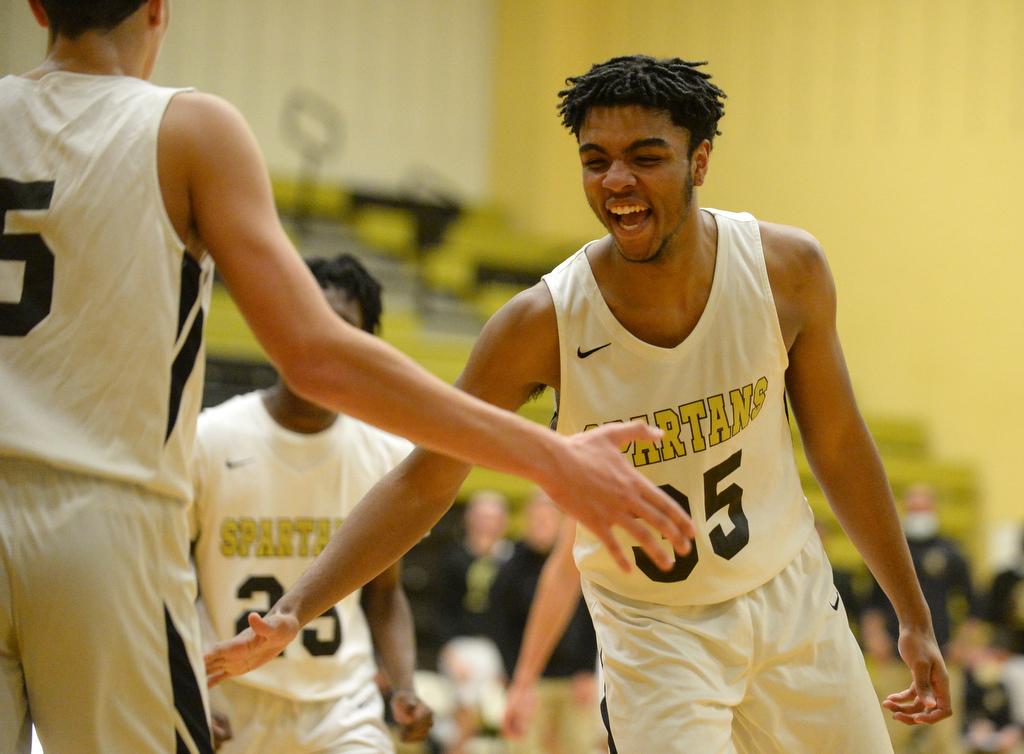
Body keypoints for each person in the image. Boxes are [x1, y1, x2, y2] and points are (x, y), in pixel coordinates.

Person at [204, 54, 950, 753]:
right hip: (657, 632)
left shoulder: (787, 269)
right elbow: (426, 478)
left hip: (792, 595)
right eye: (596, 162)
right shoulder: (541, 323)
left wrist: (913, 618)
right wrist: (297, 609)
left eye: (645, 158)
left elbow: (841, 444)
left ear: (700, 160)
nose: (616, 181)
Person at [0, 5, 692, 753]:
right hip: (101, 518)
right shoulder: (187, 127)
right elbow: (317, 354)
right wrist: (549, 454)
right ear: (160, 7)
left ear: (36, 6)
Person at [190, 254, 433, 752]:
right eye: (308, 320)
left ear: (364, 348)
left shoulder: (385, 454)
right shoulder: (208, 439)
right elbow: (165, 581)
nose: (320, 341)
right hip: (227, 696)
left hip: (343, 705)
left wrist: (405, 685)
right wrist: (180, 685)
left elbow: (384, 595)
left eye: (339, 328)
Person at [861, 483, 983, 753]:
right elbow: (871, 604)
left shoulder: (952, 552)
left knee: (945, 737)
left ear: (934, 509)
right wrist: (875, 639)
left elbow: (973, 606)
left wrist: (962, 644)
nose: (919, 514)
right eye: (913, 508)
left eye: (923, 508)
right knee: (892, 733)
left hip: (942, 657)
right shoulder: (887, 548)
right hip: (895, 657)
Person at [489, 491, 601, 754]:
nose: (541, 525)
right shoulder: (509, 571)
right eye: (536, 520)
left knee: (578, 746)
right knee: (524, 746)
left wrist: (587, 670)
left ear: (562, 523)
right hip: (532, 680)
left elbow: (592, 622)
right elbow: (500, 628)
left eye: (547, 519)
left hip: (573, 678)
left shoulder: (579, 564)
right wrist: (517, 677)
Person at [432, 492, 512, 753]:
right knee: (464, 707)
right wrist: (448, 651)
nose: (486, 524)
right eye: (480, 517)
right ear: (469, 520)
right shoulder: (452, 558)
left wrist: (509, 662)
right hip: (462, 646)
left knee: (496, 708)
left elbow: (513, 615)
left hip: (498, 647)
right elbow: (441, 610)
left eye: (492, 518)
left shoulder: (512, 560)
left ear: (503, 522)